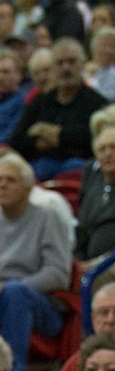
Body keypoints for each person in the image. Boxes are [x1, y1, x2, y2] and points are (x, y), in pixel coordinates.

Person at [0, 152, 72, 371]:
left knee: (14, 292)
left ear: (27, 187)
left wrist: (2, 290)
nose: (2, 185)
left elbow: (58, 274)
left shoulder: (47, 217)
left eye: (10, 180)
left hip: (38, 304)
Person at [9, 37, 106, 180]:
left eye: (71, 62)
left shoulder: (97, 103)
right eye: (60, 63)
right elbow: (16, 139)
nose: (66, 68)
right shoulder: (40, 101)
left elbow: (92, 140)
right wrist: (41, 142)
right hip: (39, 168)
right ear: (53, 67)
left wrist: (51, 133)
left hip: (79, 168)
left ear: (82, 64)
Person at [76, 111, 115, 261]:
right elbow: (82, 232)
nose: (108, 154)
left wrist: (99, 263)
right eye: (102, 149)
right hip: (89, 265)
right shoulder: (93, 190)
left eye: (113, 147)